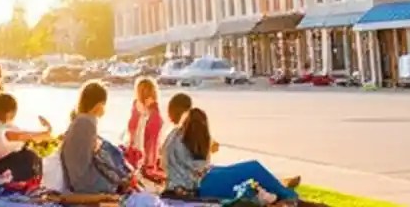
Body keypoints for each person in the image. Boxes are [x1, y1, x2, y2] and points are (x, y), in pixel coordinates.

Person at [166, 108, 320, 206]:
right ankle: (289, 195)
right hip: (201, 185)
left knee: (239, 173)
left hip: (193, 182)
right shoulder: (190, 140)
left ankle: (278, 185)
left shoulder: (175, 136)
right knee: (252, 167)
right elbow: (200, 169)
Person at [60, 81, 127, 194]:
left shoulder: (78, 120)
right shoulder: (88, 122)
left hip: (75, 179)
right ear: (99, 104)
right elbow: (96, 158)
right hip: (85, 182)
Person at [126, 78, 163, 172]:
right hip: (139, 150)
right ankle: (148, 165)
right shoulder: (152, 111)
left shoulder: (138, 106)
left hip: (135, 149)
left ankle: (147, 164)